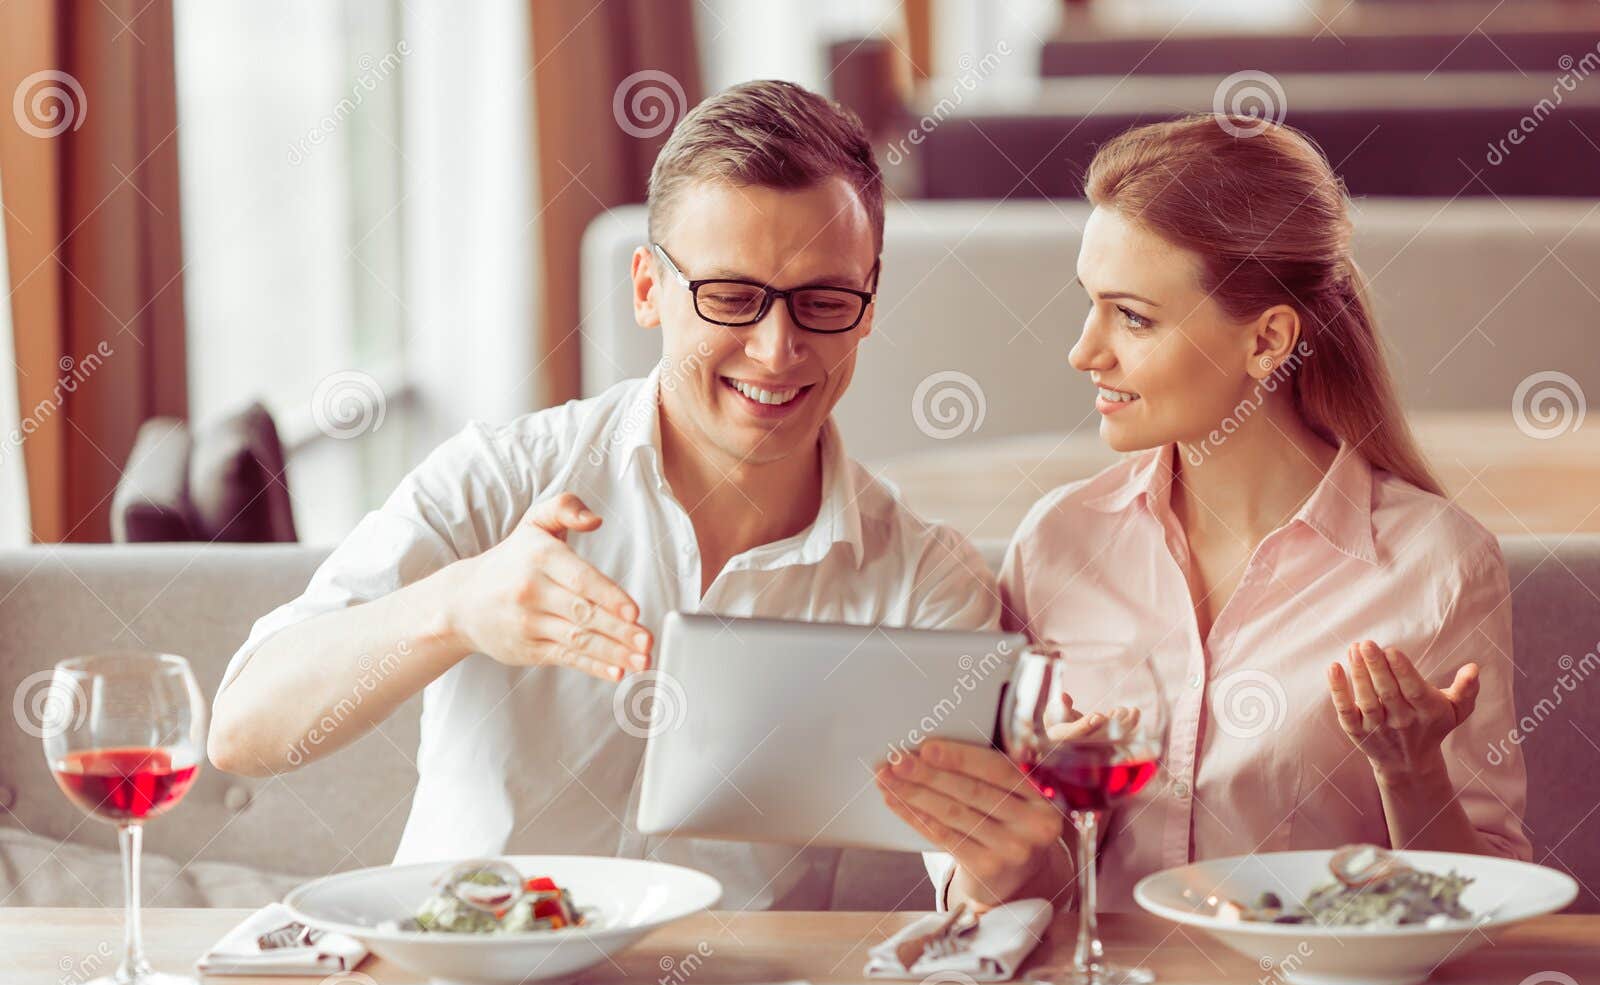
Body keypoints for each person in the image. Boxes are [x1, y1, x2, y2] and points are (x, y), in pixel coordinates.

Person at [207, 80, 998, 910]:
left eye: (824, 301)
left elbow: (973, 895)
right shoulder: (502, 478)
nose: (776, 350)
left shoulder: (923, 581)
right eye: (730, 296)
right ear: (649, 289)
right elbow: (243, 728)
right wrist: (457, 605)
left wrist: (1009, 869)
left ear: (868, 302)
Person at [873, 114, 1531, 913]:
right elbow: (1022, 902)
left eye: (1133, 317)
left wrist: (1412, 770)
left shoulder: (1438, 564)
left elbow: (1483, 908)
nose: (1085, 351)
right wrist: (1029, 822)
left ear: (1267, 342)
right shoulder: (1057, 542)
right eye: (1091, 305)